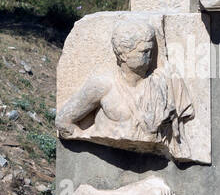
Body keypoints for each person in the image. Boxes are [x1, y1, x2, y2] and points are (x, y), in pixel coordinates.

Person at [55, 18, 193, 158]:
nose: (149, 57)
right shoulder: (103, 84)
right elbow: (63, 121)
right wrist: (86, 139)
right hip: (108, 155)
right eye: (143, 52)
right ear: (122, 53)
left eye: (151, 50)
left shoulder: (163, 81)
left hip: (150, 156)